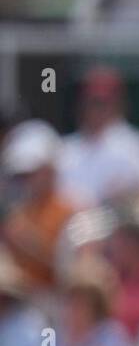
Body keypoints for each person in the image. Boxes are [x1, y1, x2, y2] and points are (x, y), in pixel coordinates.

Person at [57, 67, 139, 209]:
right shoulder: (67, 147)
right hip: (73, 225)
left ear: (119, 103)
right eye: (92, 102)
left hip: (117, 224)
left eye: (103, 102)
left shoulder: (137, 146)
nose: (97, 109)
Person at [0, 120, 77, 296]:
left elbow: (69, 271)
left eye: (30, 174)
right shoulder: (20, 210)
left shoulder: (72, 208)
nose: (24, 182)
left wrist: (25, 239)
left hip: (58, 306)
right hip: (19, 306)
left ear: (50, 169)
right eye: (20, 176)